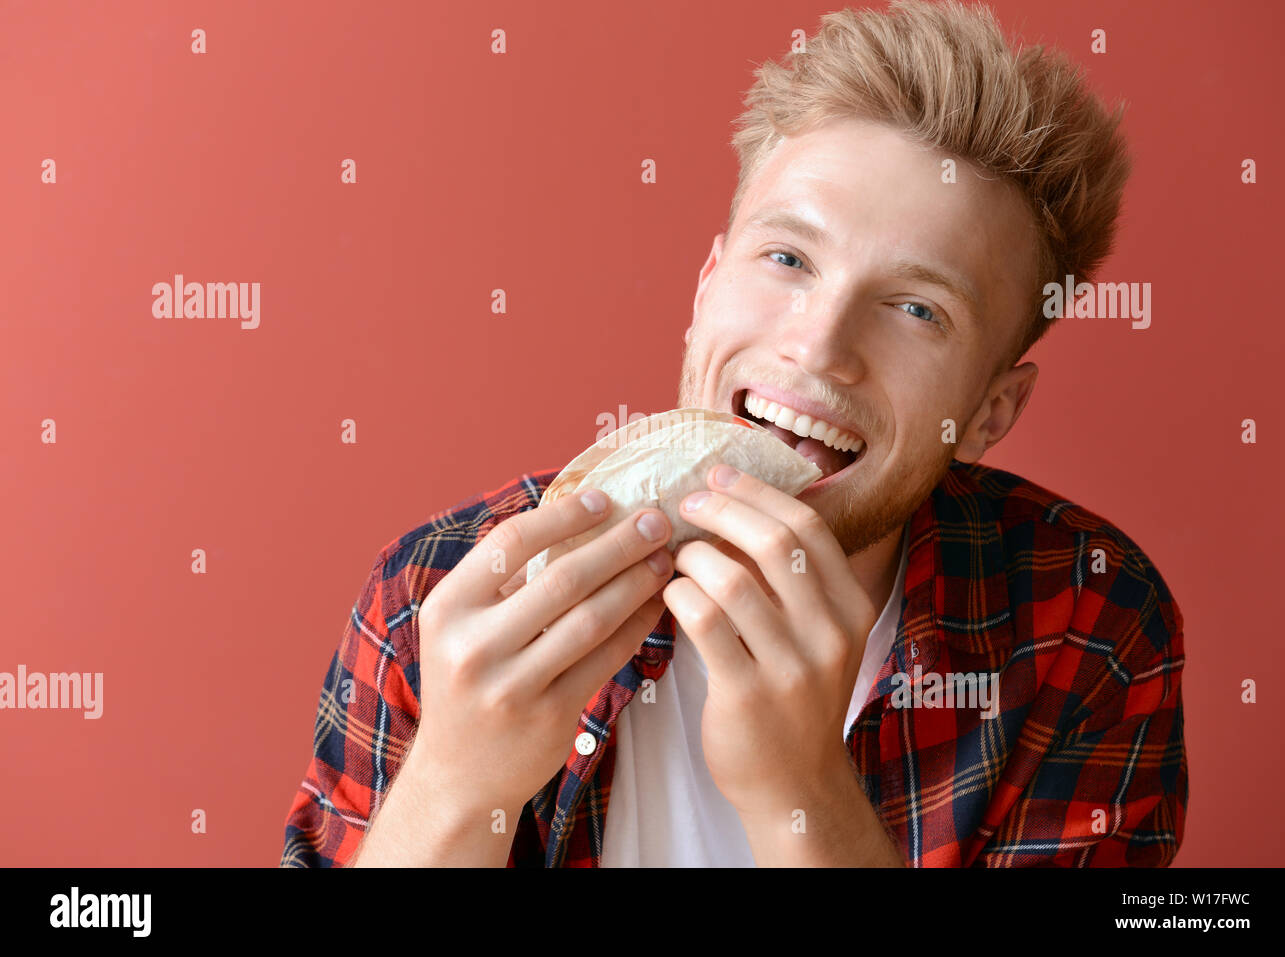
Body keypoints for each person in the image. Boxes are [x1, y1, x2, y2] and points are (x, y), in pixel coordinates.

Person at [280, 0, 1186, 868]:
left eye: (917, 308)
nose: (819, 346)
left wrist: (800, 792)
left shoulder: (1087, 623)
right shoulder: (442, 597)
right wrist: (454, 782)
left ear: (992, 410)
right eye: (787, 258)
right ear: (707, 286)